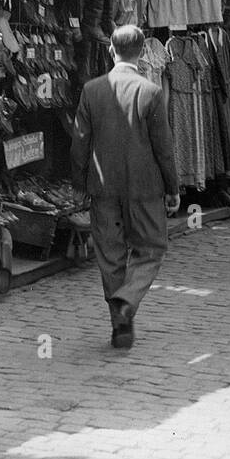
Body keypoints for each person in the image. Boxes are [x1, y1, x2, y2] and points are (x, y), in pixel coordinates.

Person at [70, 24, 181, 349]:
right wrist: (173, 187)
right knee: (150, 250)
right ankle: (127, 302)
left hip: (103, 188)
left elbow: (79, 141)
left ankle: (120, 325)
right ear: (143, 51)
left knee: (111, 255)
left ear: (110, 51)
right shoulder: (150, 92)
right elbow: (164, 147)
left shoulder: (92, 90)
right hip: (145, 188)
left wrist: (79, 183)